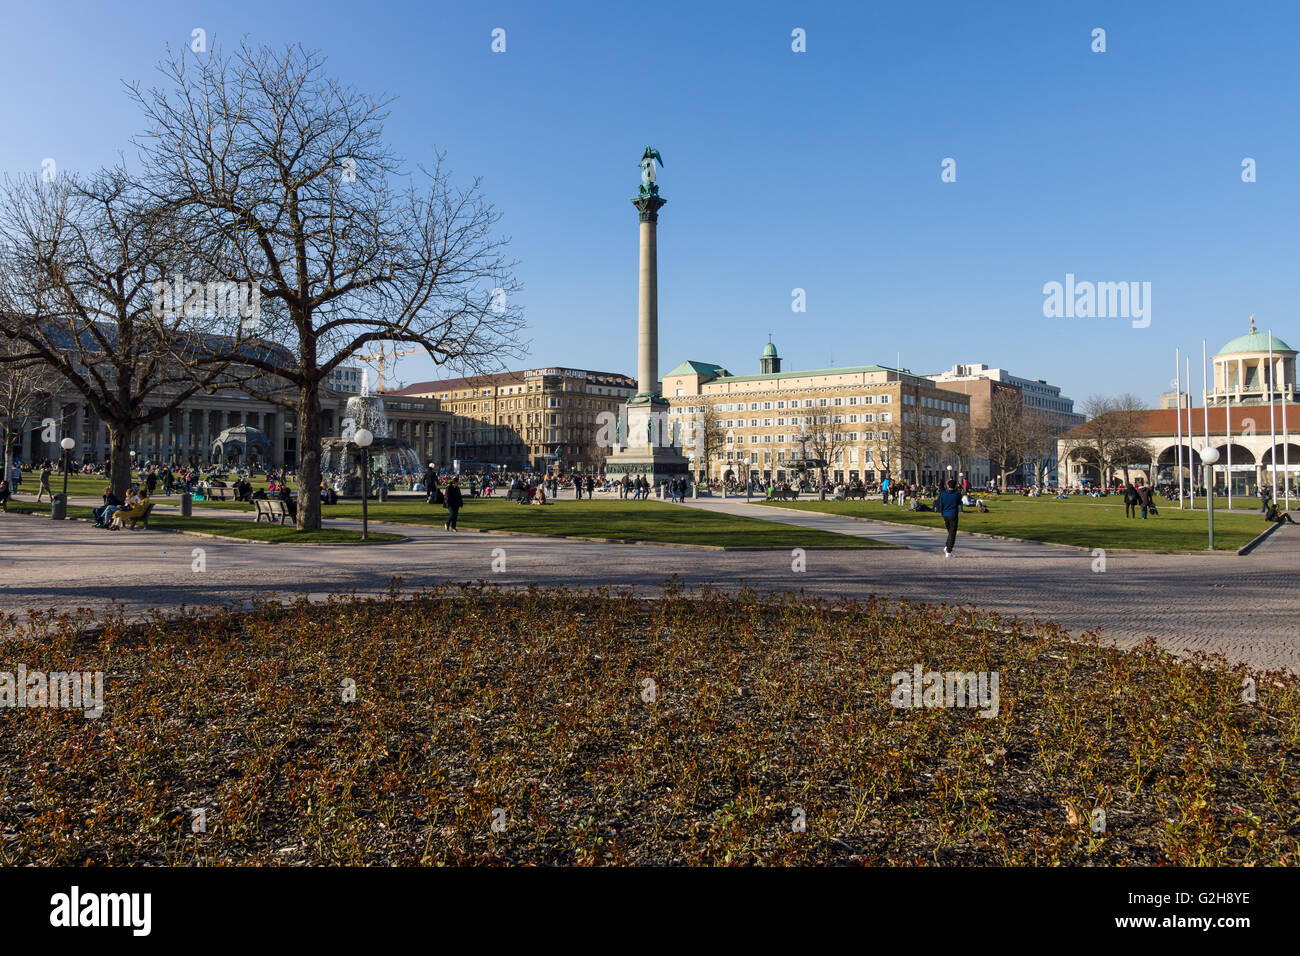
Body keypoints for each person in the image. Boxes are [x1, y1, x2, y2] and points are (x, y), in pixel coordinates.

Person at [935, 478, 963, 557]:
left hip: (945, 514)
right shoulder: (957, 494)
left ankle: (947, 546)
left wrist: (942, 513)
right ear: (955, 486)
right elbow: (959, 503)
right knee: (952, 533)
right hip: (953, 514)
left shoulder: (943, 494)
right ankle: (948, 550)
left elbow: (941, 505)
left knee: (950, 532)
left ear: (947, 486)